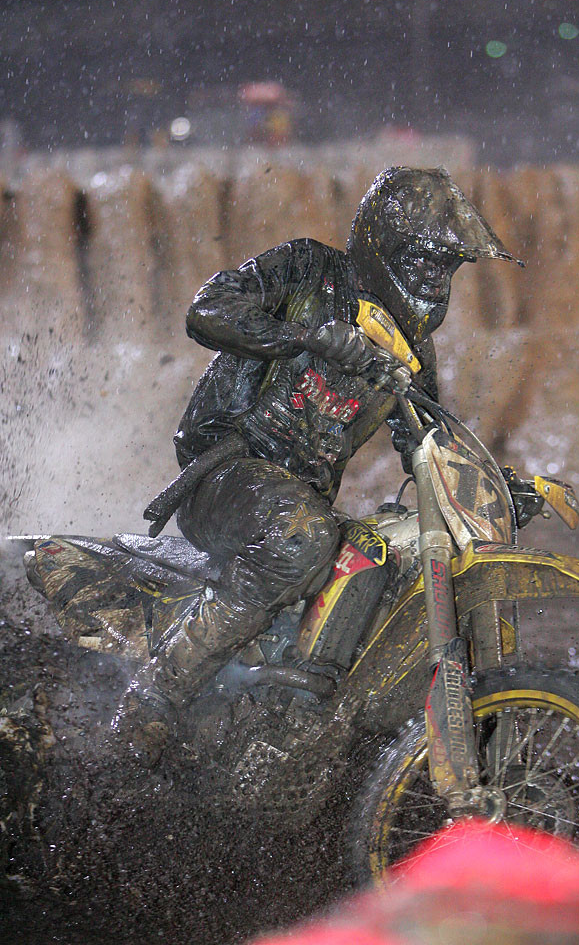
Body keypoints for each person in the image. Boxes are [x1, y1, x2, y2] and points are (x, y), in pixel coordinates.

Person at [113, 166, 522, 758]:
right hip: (225, 474)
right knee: (302, 534)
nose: (435, 278)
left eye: (446, 267)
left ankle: (310, 724)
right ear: (386, 246)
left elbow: (434, 442)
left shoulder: (408, 348)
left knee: (389, 558)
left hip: (297, 499)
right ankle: (154, 695)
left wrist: (504, 491)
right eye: (425, 261)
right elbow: (206, 310)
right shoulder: (308, 268)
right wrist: (306, 337)